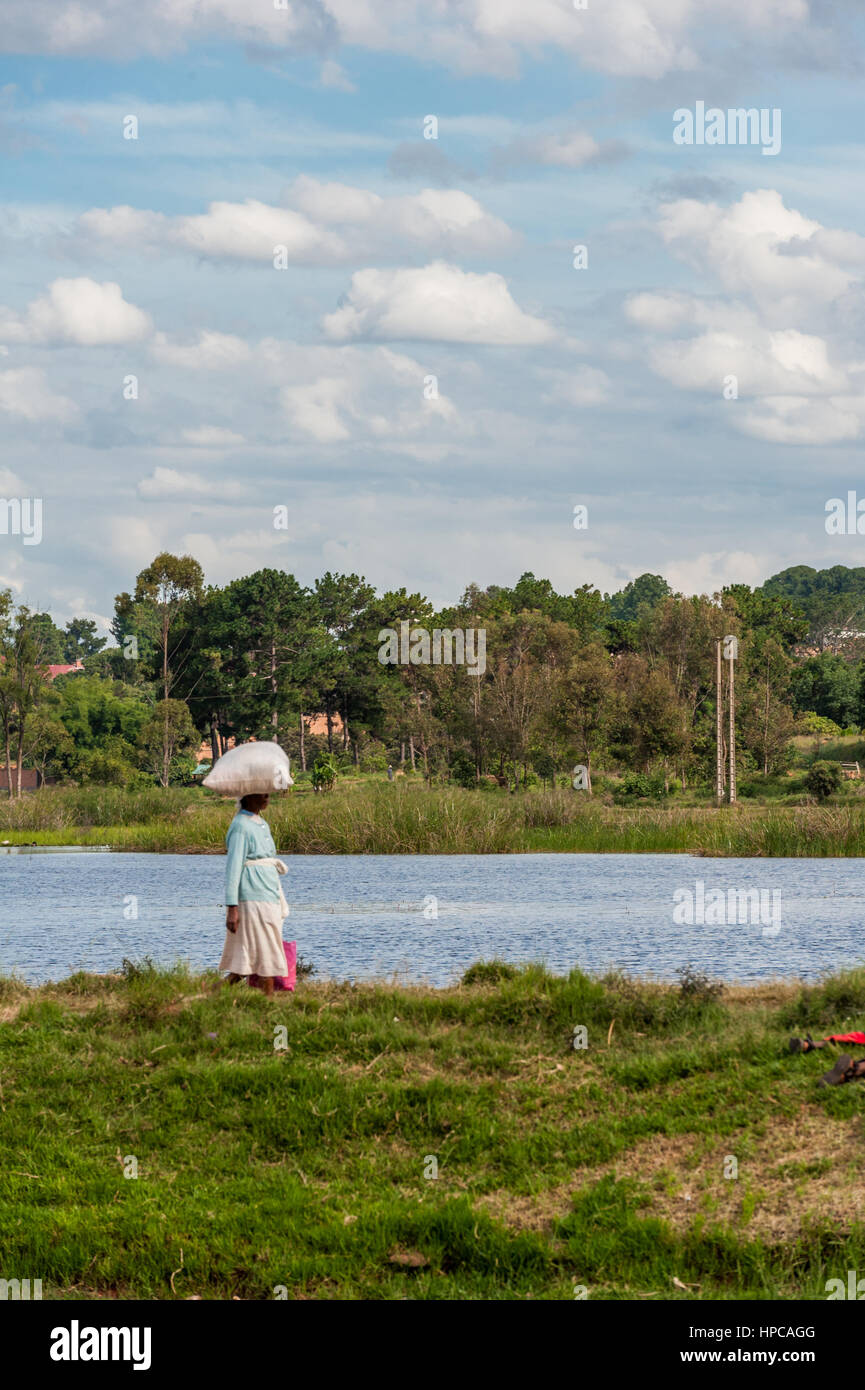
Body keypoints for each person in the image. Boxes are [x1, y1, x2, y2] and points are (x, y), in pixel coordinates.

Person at [220, 792, 288, 997]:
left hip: (268, 892)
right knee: (266, 950)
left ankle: (213, 994)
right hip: (252, 895)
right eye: (261, 794)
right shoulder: (240, 826)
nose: (266, 797)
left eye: (267, 793)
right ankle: (268, 1002)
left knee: (249, 955)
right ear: (248, 796)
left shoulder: (261, 823)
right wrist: (232, 907)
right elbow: (233, 868)